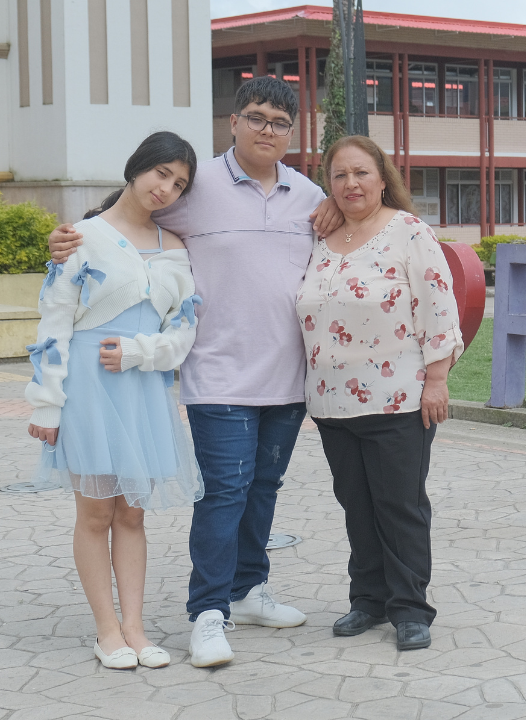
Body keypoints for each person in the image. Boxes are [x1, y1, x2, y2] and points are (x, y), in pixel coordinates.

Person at [48, 76, 345, 668]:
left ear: (292, 134)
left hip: (287, 378)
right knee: (224, 492)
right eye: (256, 117)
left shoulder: (310, 195)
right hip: (217, 374)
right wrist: (69, 235)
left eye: (280, 122)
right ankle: (208, 611)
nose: (267, 129)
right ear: (232, 122)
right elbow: (133, 212)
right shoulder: (197, 183)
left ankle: (249, 588)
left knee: (263, 489)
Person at [27, 131, 204, 670]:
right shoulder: (82, 237)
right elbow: (54, 321)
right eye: (161, 173)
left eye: (178, 184)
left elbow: (184, 331)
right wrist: (47, 403)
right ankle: (106, 632)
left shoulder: (176, 249)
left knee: (132, 514)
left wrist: (139, 352)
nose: (166, 189)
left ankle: (135, 627)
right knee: (96, 511)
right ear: (137, 168)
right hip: (87, 386)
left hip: (142, 387)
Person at [297, 135, 462, 651]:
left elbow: (439, 306)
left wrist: (437, 379)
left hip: (398, 398)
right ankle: (367, 599)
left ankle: (410, 608)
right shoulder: (319, 238)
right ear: (329, 183)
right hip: (330, 400)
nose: (351, 184)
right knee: (356, 505)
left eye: (361, 173)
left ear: (383, 177)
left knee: (400, 505)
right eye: (340, 175)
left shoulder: (409, 232)